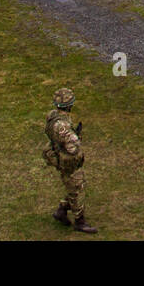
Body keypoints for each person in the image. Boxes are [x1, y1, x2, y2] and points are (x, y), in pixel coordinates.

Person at [43, 87, 97, 233]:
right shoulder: (62, 125)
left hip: (57, 155)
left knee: (74, 186)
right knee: (77, 190)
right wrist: (76, 138)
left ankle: (61, 210)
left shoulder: (53, 115)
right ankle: (80, 221)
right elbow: (72, 148)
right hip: (67, 162)